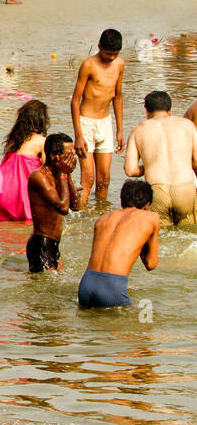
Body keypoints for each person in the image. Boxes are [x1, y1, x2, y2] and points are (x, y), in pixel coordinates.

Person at [78, 180, 160, 309]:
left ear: (121, 201)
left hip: (86, 285)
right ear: (147, 204)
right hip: (112, 286)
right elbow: (151, 264)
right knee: (138, 323)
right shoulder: (151, 217)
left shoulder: (102, 219)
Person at [123, 91, 197, 227]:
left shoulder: (138, 130)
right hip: (184, 188)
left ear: (146, 111)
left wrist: (149, 164)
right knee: (188, 233)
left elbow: (131, 170)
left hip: (156, 191)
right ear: (170, 110)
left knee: (160, 237)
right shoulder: (187, 125)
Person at [71, 28, 125, 201]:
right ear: (99, 46)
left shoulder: (120, 64)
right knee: (87, 180)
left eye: (115, 54)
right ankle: (82, 218)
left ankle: (100, 216)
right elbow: (75, 101)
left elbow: (118, 96)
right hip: (86, 123)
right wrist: (78, 135)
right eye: (108, 54)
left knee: (104, 180)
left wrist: (119, 131)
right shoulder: (88, 65)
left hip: (105, 124)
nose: (111, 58)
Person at [26, 133, 79, 272]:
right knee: (43, 290)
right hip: (41, 244)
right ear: (54, 156)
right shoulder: (39, 177)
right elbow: (63, 208)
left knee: (55, 288)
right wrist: (63, 174)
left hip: (54, 244)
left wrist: (68, 174)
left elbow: (76, 206)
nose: (72, 158)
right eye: (68, 154)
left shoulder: (59, 175)